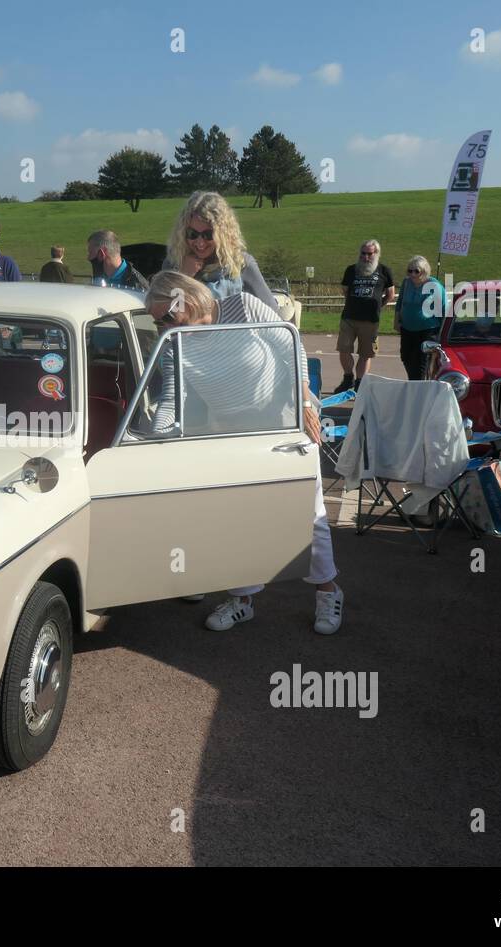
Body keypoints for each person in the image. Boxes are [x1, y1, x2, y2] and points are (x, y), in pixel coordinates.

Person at [143, 271, 343, 634]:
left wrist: (306, 405)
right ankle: (243, 599)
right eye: (158, 321)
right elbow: (172, 399)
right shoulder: (175, 341)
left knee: (306, 514)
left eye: (167, 317)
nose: (163, 326)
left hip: (285, 421)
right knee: (234, 517)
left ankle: (328, 592)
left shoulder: (244, 307)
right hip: (232, 434)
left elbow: (291, 346)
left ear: (185, 298)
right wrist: (152, 445)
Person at [163, 191, 275, 304]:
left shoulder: (241, 264)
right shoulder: (174, 262)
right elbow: (168, 316)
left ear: (223, 235)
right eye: (193, 234)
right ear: (182, 233)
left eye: (208, 235)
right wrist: (183, 276)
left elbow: (274, 316)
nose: (200, 243)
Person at [336, 240, 395, 393]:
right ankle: (348, 378)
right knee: (344, 349)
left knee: (366, 353)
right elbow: (345, 290)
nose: (366, 257)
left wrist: (377, 306)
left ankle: (360, 382)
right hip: (349, 317)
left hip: (371, 320)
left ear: (376, 254)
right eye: (363, 253)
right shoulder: (351, 270)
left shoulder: (384, 271)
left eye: (370, 254)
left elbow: (390, 294)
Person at [394, 256, 448, 380]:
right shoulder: (406, 283)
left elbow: (444, 309)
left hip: (427, 330)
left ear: (424, 271)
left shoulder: (434, 285)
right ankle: (414, 381)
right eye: (410, 271)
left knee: (422, 362)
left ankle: (418, 386)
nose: (412, 274)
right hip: (407, 328)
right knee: (406, 357)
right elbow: (400, 302)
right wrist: (396, 321)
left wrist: (443, 331)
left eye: (416, 271)